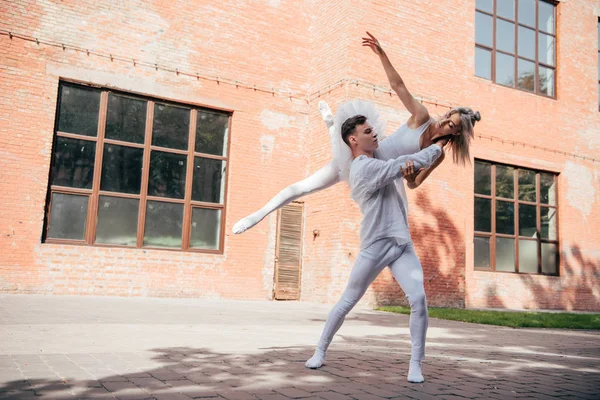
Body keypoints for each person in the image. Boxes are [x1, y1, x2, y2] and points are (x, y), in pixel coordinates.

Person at [232, 32, 480, 235]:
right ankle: (256, 215)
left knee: (400, 219)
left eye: (450, 124)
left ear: (456, 133)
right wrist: (383, 55)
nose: (444, 120)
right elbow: (398, 86)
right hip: (366, 154)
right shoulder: (422, 117)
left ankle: (331, 127)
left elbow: (414, 184)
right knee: (304, 187)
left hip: (385, 173)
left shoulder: (437, 155)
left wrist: (407, 176)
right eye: (448, 115)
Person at [303, 113, 446, 383]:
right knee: (348, 300)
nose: (375, 133)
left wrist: (421, 157)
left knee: (418, 299)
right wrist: (439, 146)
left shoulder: (377, 161)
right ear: (354, 139)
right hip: (375, 245)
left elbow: (404, 167)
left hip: (401, 243)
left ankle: (416, 364)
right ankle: (319, 351)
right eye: (368, 131)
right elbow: (404, 163)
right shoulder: (362, 168)